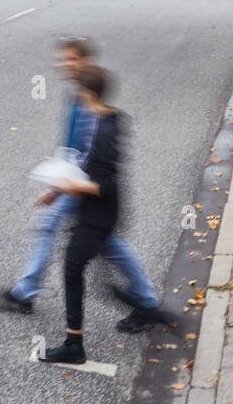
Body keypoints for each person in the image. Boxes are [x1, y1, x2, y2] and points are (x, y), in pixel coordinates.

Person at [0, 38, 165, 333]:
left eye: (71, 60)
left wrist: (61, 186)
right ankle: (145, 302)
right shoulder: (77, 95)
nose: (64, 65)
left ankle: (28, 294)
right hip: (75, 178)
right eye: (62, 60)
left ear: (86, 63)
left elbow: (91, 155)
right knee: (107, 243)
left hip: (83, 183)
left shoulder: (88, 101)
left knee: (69, 232)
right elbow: (73, 144)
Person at [39, 65, 172, 366]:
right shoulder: (106, 118)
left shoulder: (105, 128)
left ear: (89, 93)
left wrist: (74, 185)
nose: (76, 99)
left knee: (73, 269)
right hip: (94, 213)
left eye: (79, 94)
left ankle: (75, 345)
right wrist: (58, 189)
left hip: (99, 214)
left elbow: (108, 184)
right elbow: (89, 164)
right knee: (97, 266)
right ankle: (145, 308)